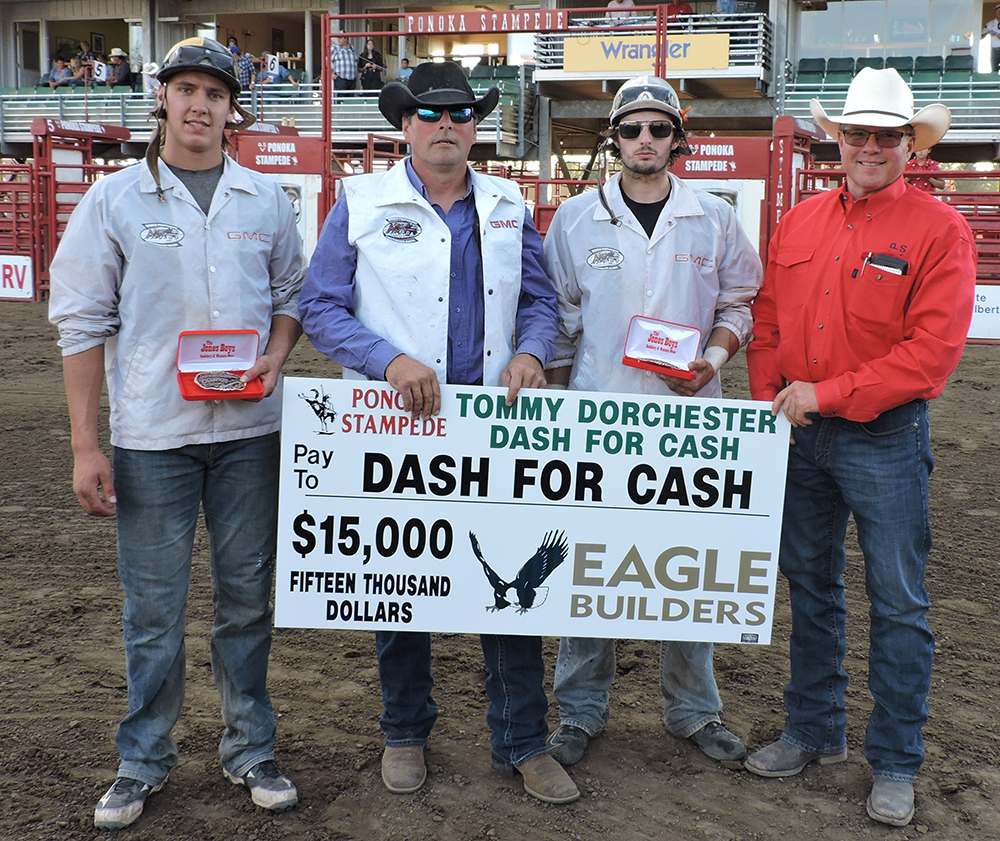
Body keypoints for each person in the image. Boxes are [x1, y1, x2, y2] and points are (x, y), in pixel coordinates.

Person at [298, 60, 579, 806]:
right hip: (396, 423)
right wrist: (386, 359)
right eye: (430, 113)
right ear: (405, 126)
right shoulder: (358, 200)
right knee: (401, 581)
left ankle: (522, 739)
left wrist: (529, 351)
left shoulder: (510, 204)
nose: (446, 124)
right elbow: (321, 307)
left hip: (491, 426)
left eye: (459, 112)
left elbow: (541, 304)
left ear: (475, 126)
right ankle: (404, 729)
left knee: (511, 584)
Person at [48, 36, 306, 831]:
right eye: (185, 88)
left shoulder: (265, 199)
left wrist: (275, 353)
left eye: (214, 92)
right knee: (153, 608)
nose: (199, 105)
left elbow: (293, 293)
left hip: (251, 432)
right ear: (162, 97)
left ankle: (249, 745)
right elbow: (81, 322)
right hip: (152, 434)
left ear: (234, 108)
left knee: (245, 598)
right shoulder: (115, 199)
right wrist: (86, 444)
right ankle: (142, 757)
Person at [744, 67, 976, 828]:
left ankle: (897, 759)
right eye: (857, 133)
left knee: (898, 600)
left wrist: (824, 394)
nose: (869, 147)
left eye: (885, 135)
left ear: (910, 145)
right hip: (802, 430)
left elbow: (930, 355)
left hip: (882, 434)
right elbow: (769, 320)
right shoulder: (801, 220)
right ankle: (815, 729)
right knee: (810, 587)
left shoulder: (941, 231)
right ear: (836, 140)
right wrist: (768, 399)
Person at [541, 75, 761, 770]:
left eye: (658, 129)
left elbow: (740, 303)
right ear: (614, 137)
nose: (645, 141)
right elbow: (558, 323)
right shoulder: (575, 219)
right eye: (632, 128)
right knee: (589, 568)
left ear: (677, 139)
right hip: (597, 419)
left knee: (688, 569)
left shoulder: (715, 217)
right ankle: (579, 708)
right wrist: (554, 410)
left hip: (690, 423)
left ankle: (694, 709)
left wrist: (714, 358)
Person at [984, 5, 1000, 75]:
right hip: (994, 50)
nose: (999, 13)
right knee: (994, 70)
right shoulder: (990, 24)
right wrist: (988, 32)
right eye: (997, 11)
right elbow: (980, 34)